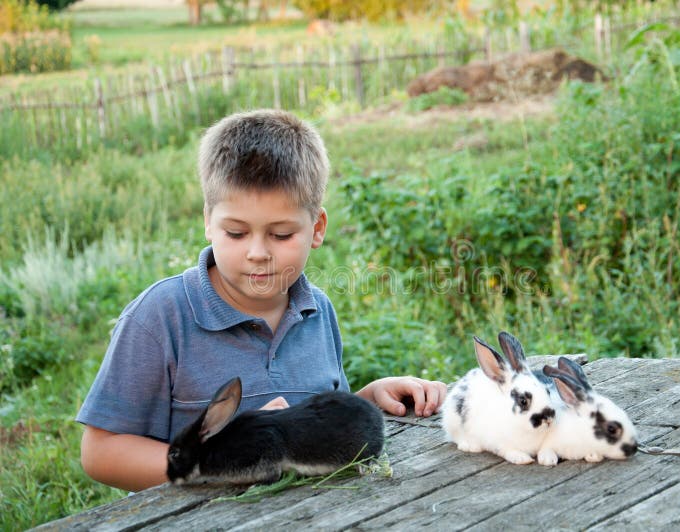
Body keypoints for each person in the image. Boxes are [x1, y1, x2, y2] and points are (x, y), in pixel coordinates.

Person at [77, 109, 447, 492]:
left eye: (281, 235)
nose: (257, 252)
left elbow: (309, 426)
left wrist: (367, 400)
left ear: (316, 228)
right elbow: (101, 452)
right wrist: (225, 458)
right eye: (236, 233)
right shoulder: (160, 318)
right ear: (208, 220)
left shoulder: (316, 312)